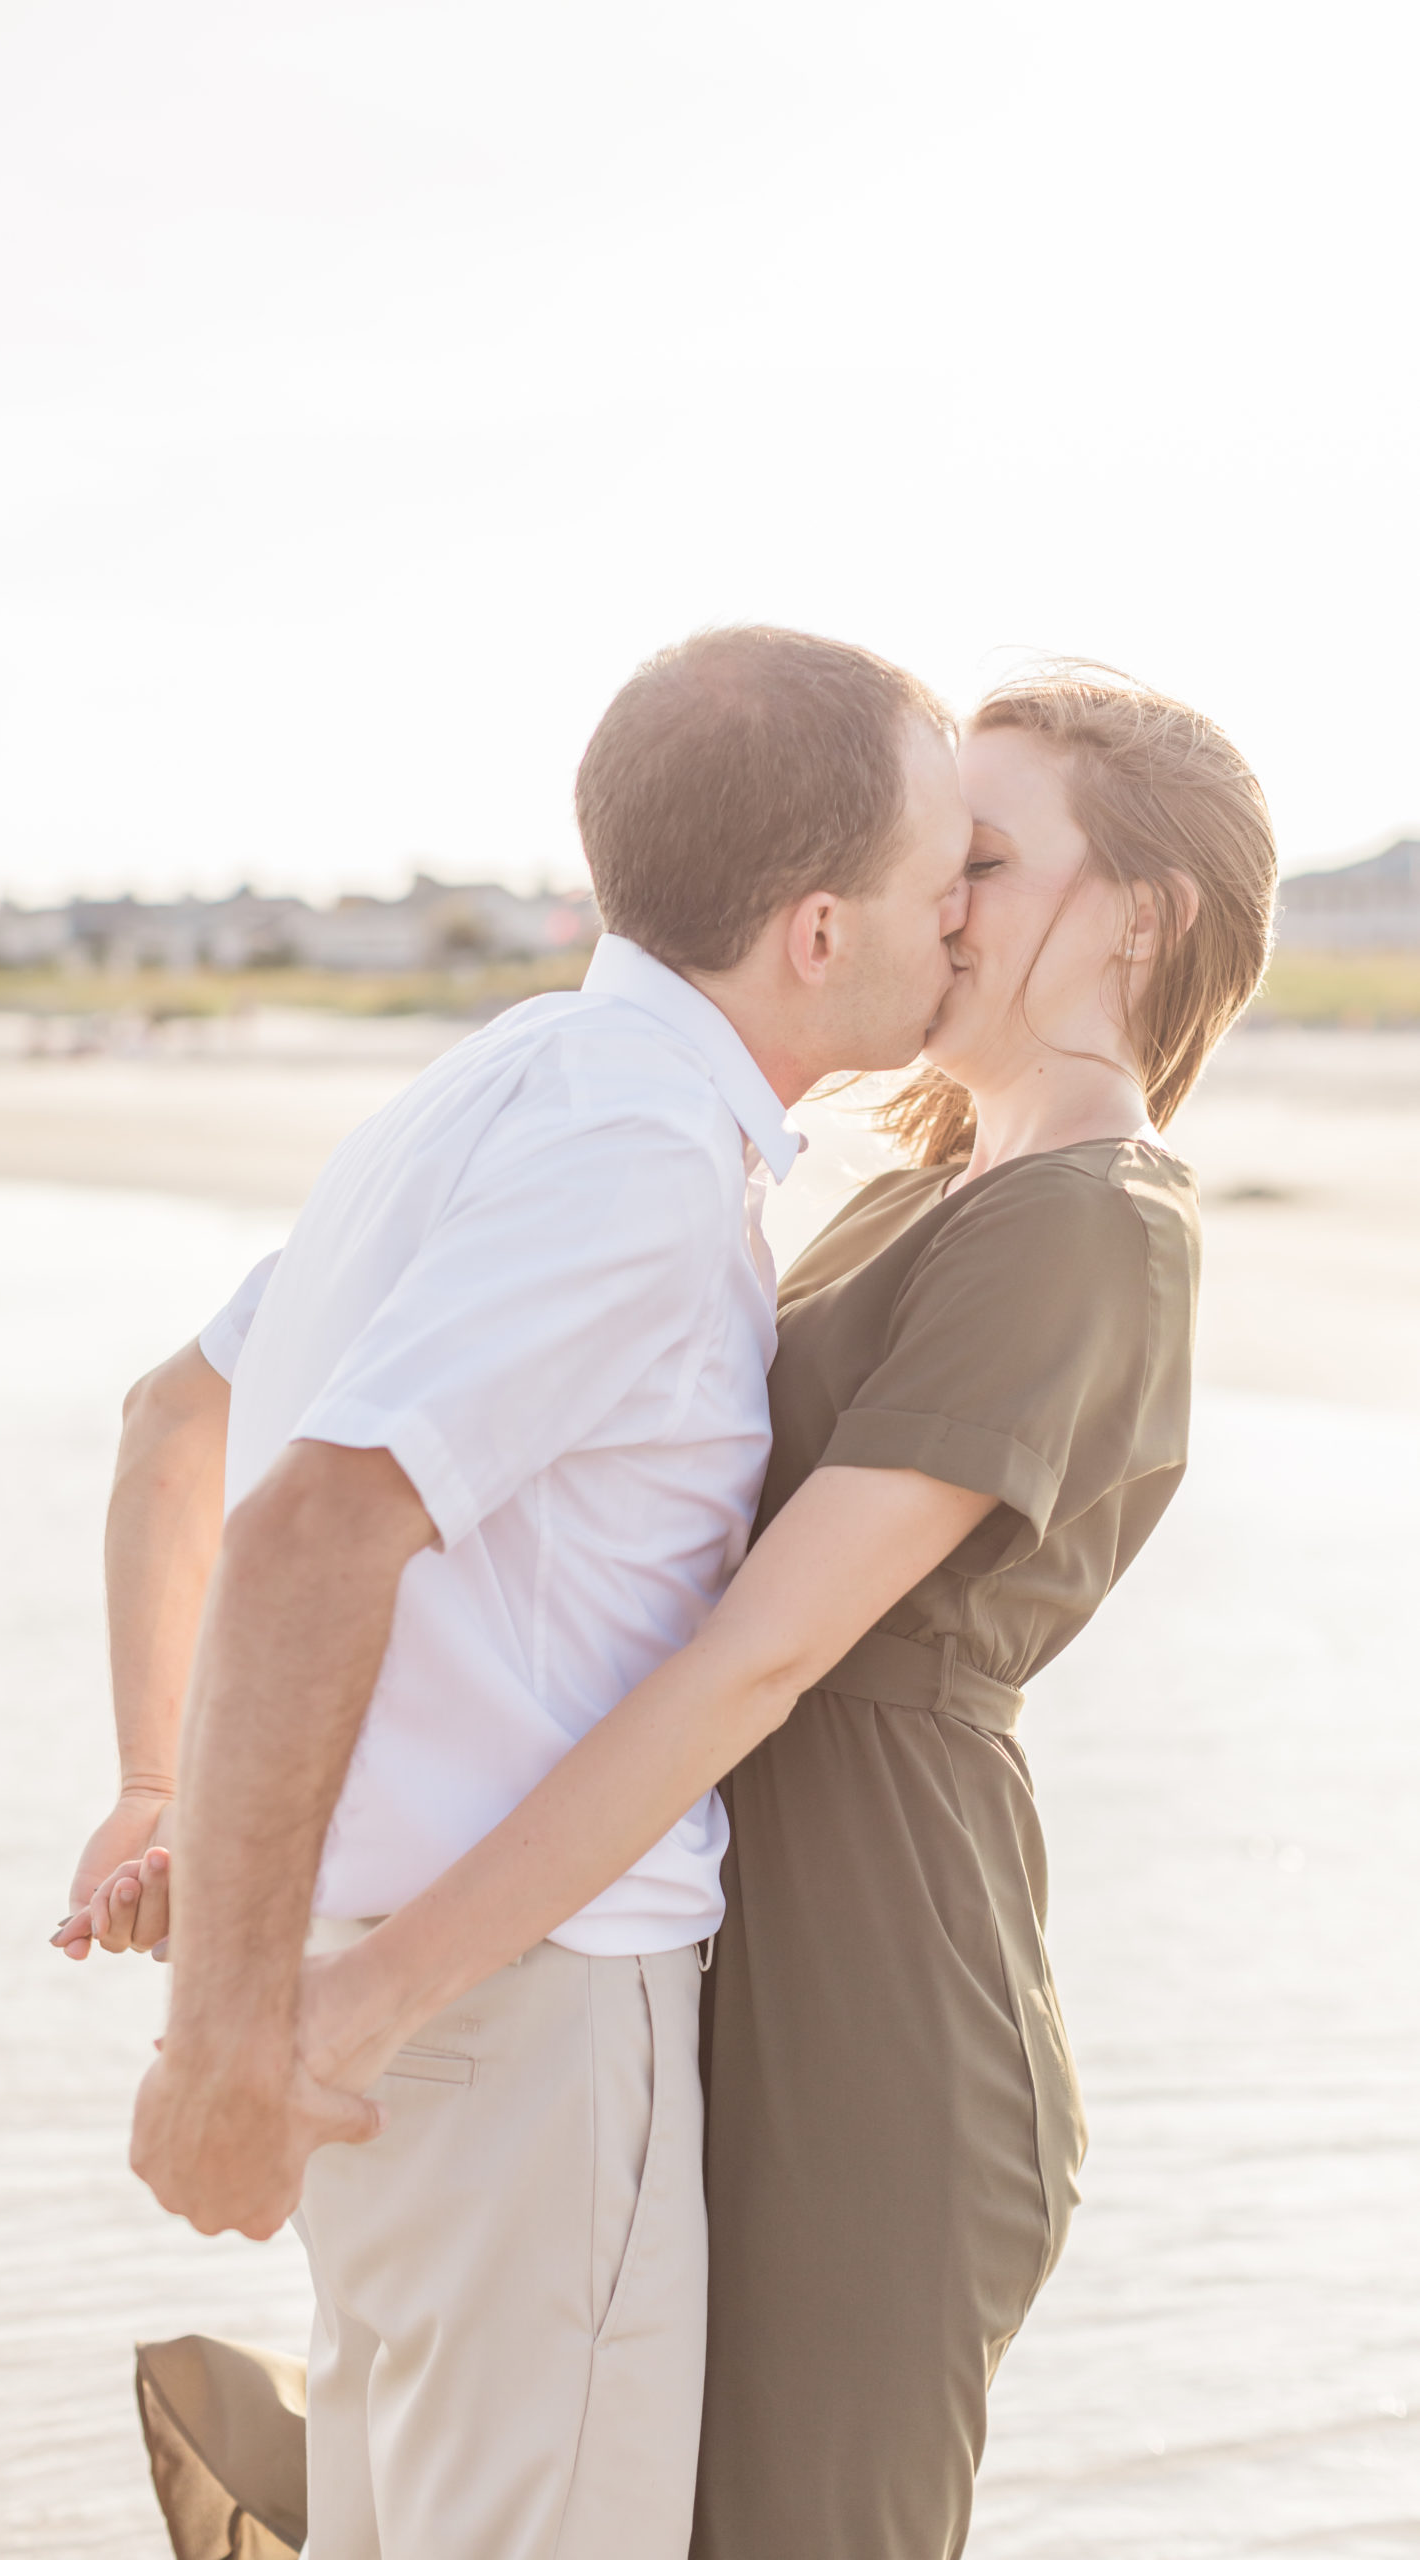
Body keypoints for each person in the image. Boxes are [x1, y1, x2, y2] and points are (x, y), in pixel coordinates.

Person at [178, 665, 1273, 2559]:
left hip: (869, 1988)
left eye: (989, 860)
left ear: (1145, 918)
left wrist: (365, 1998)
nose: (944, 903)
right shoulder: (886, 1191)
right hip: (702, 1948)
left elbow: (759, 1652)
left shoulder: (1093, 1218)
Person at [54, 625, 974, 2560]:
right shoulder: (637, 1158)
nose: (963, 919)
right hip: (518, 2032)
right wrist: (218, 2041)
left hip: (397, 2008)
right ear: (816, 930)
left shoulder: (504, 1085)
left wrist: (162, 1797)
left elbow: (171, 1428)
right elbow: (307, 1526)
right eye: (938, 873)